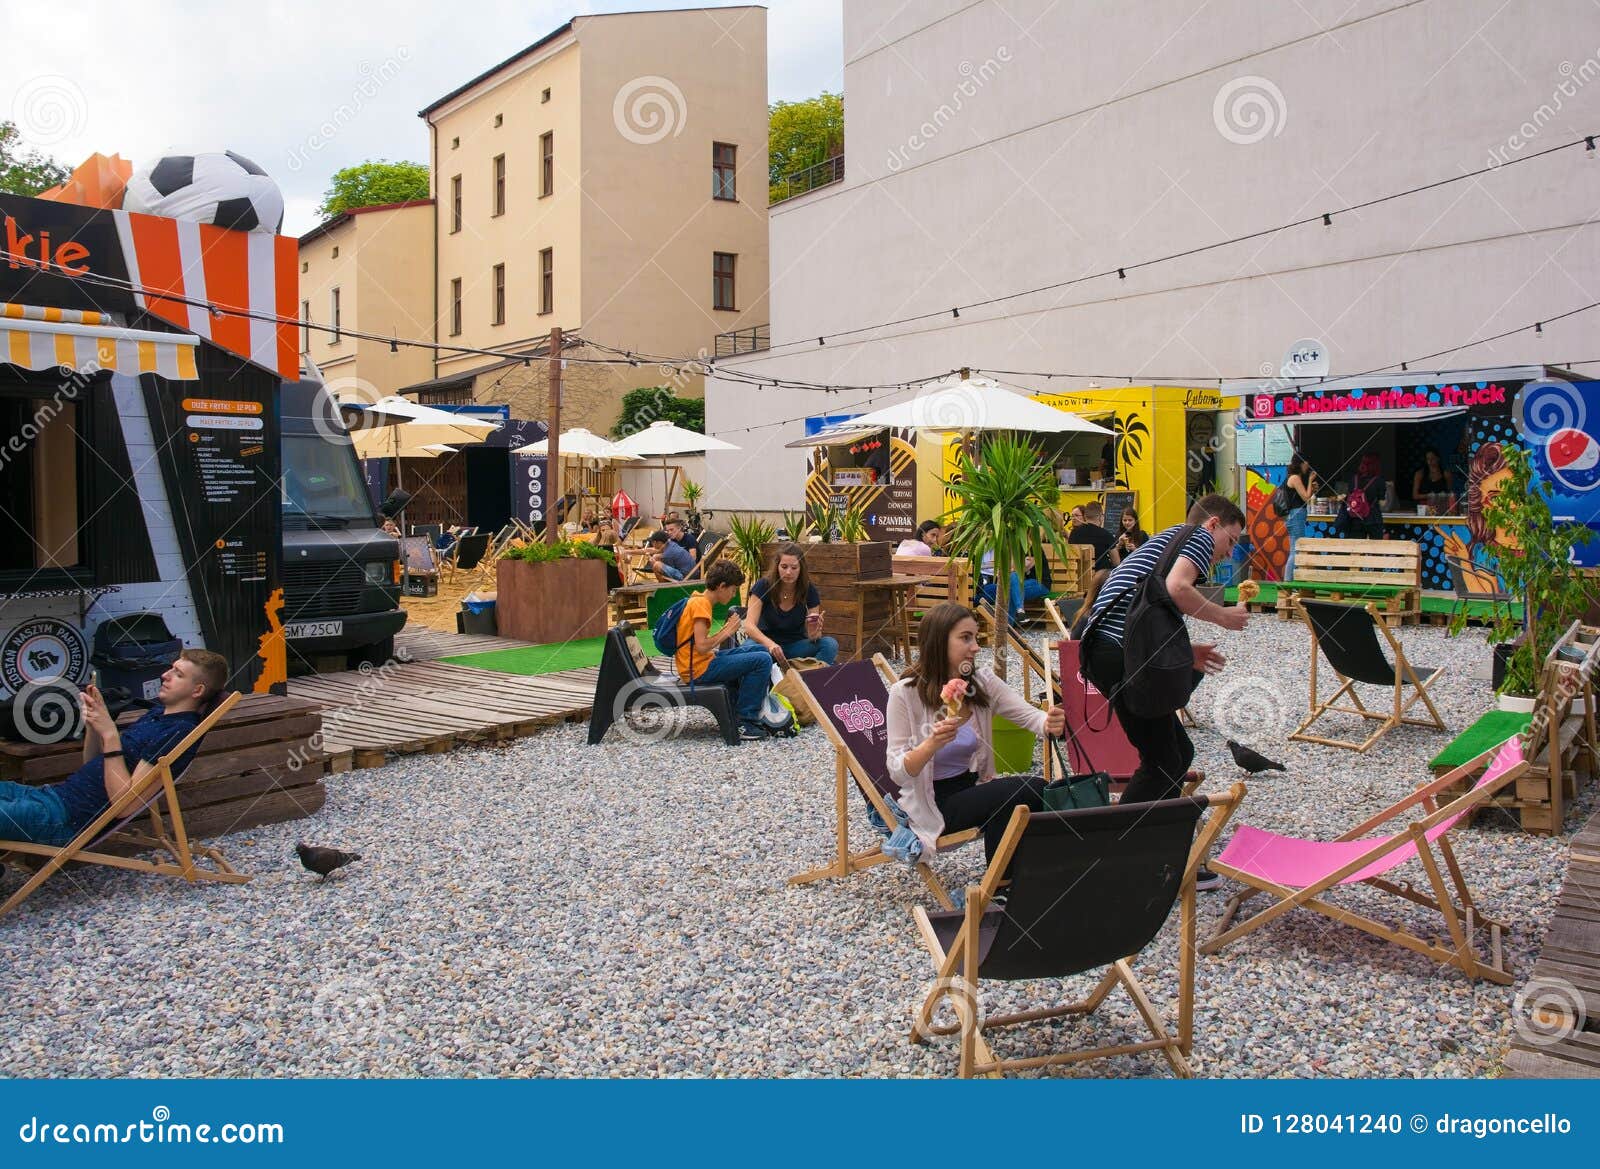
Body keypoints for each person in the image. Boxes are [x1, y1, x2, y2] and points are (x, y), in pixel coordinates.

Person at [1078, 494, 1249, 891]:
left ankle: (1155, 860)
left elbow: (1142, 614)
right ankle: (1119, 861)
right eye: (1231, 538)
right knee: (1162, 761)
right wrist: (1223, 616)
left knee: (1175, 755)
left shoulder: (1166, 542)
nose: (1229, 551)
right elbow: (1176, 588)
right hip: (1115, 653)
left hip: (1110, 651)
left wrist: (1184, 653)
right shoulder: (1196, 536)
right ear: (1214, 524)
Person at [885, 601, 1065, 866]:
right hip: (932, 804)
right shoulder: (905, 694)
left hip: (973, 787)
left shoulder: (981, 682)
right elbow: (897, 771)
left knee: (1017, 800)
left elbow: (1031, 717)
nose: (976, 646)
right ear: (939, 641)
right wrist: (931, 744)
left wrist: (1050, 721)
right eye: (965, 638)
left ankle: (1009, 883)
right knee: (1028, 790)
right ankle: (1002, 885)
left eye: (976, 637)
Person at [0, 650, 228, 848]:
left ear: (197, 690)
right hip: (51, 797)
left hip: (61, 819)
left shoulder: (177, 732)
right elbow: (93, 763)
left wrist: (110, 735)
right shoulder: (158, 714)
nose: (164, 675)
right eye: (171, 668)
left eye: (178, 674)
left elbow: (125, 806)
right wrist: (94, 725)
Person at [675, 560, 773, 742]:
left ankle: (741, 706)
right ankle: (744, 720)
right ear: (721, 586)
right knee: (762, 660)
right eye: (733, 590)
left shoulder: (698, 599)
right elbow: (702, 645)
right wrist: (727, 631)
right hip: (698, 670)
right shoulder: (701, 605)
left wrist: (725, 631)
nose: (734, 594)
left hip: (703, 662)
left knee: (759, 649)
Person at [745, 544, 837, 666]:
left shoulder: (809, 590)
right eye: (784, 567)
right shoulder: (763, 586)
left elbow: (813, 636)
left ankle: (807, 680)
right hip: (765, 645)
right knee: (748, 649)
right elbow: (749, 626)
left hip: (795, 646)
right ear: (777, 567)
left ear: (801, 569)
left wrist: (814, 633)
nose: (788, 572)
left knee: (830, 644)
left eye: (794, 568)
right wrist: (771, 645)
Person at [978, 549, 1046, 620]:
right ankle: (1018, 613)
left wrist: (1004, 567)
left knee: (1011, 584)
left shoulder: (1032, 547)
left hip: (1039, 584)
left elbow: (1023, 567)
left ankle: (1010, 623)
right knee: (1007, 587)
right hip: (1014, 584)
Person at [1280, 455, 1316, 580]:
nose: (1307, 466)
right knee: (1296, 550)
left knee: (1295, 549)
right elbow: (1306, 498)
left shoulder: (1294, 477)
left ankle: (1290, 581)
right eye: (1306, 463)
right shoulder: (1295, 478)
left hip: (1294, 515)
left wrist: (1312, 487)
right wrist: (1311, 480)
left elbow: (1304, 496)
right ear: (1301, 464)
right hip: (1295, 516)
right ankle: (1288, 582)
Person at [1336, 454, 1386, 539]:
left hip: (1355, 519)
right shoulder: (1379, 481)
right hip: (1373, 519)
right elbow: (1382, 503)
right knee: (1376, 548)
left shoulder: (1353, 479)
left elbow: (1349, 497)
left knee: (1356, 548)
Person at [1069, 500, 1121, 571]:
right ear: (1101, 517)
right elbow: (1116, 563)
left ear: (1085, 516)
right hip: (1100, 576)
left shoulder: (1074, 533)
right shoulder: (1106, 535)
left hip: (1079, 574)